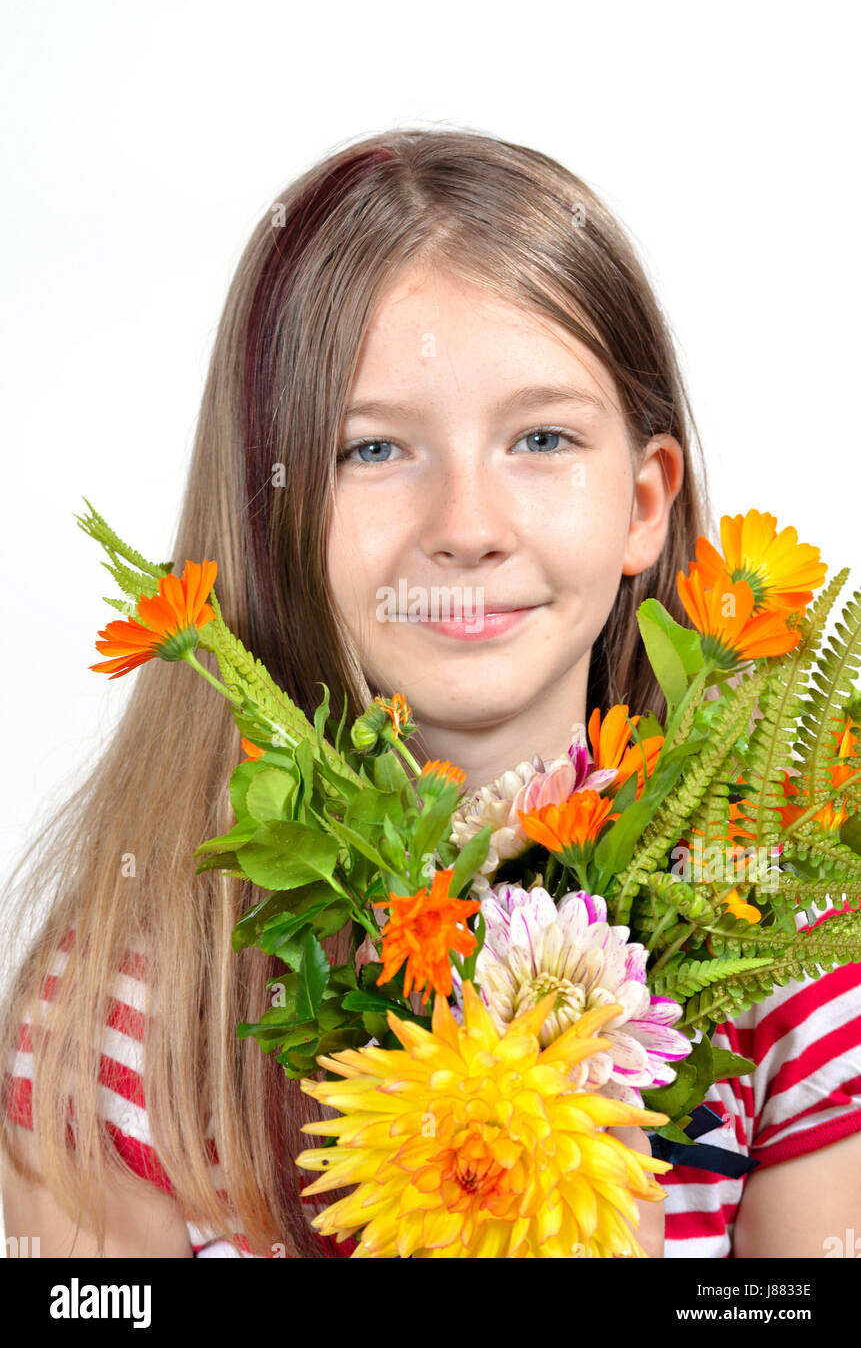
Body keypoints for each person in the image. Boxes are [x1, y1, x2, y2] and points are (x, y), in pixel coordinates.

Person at [3, 128, 861, 1260]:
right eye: (373, 451)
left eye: (541, 438)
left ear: (644, 503)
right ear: (274, 514)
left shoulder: (784, 959)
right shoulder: (120, 1018)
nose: (465, 527)